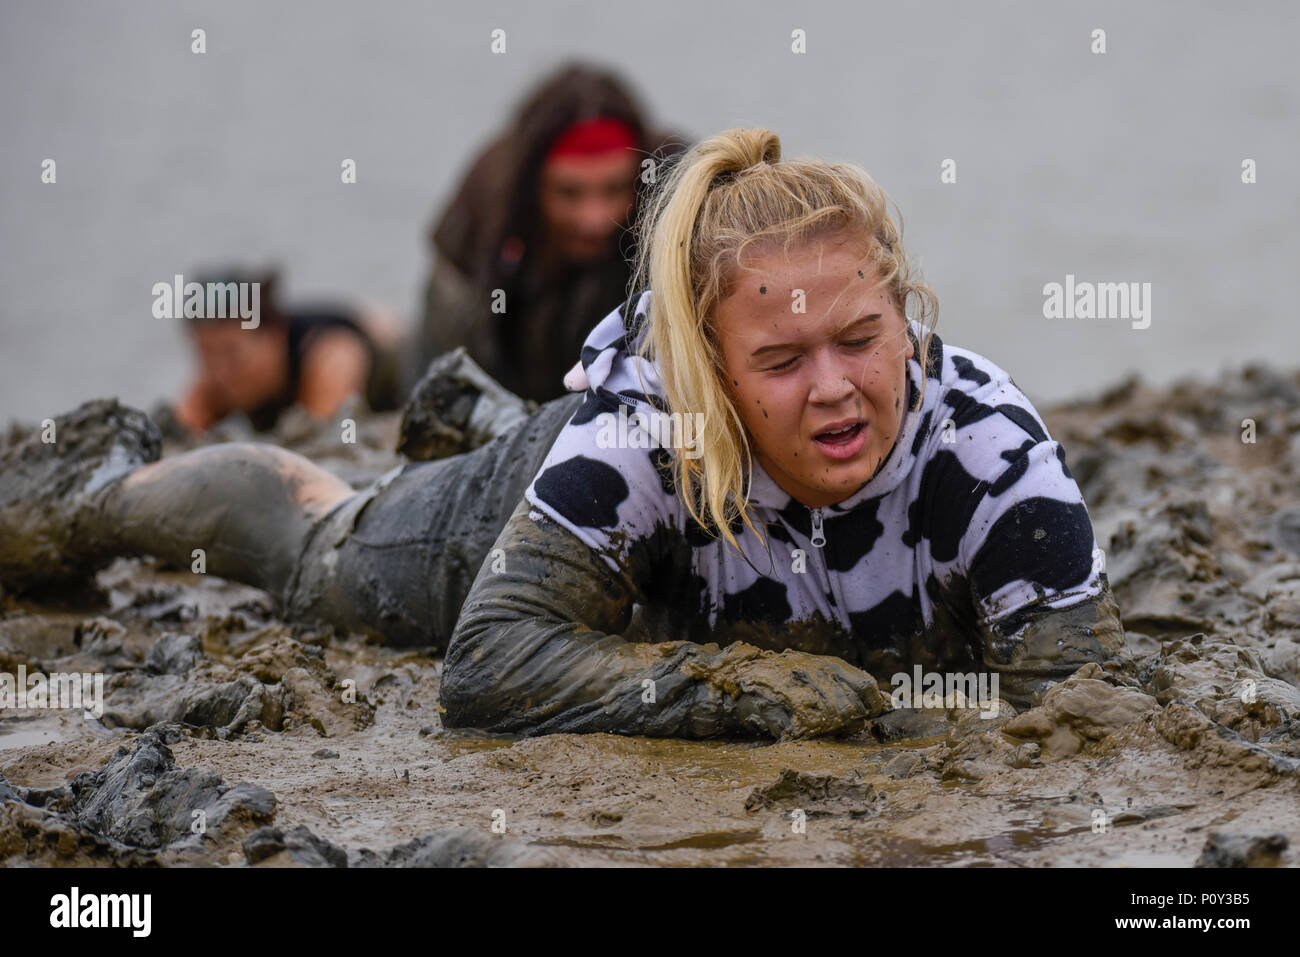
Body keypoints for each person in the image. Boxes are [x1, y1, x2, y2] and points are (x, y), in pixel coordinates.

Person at [0, 128, 1125, 742]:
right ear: (714, 374)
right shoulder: (647, 426)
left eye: (860, 339)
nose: (834, 389)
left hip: (642, 563)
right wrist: (735, 691)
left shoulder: (997, 465)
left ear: (907, 315)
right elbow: (487, 667)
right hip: (537, 497)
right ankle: (93, 492)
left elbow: (1062, 709)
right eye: (780, 363)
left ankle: (465, 414)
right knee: (320, 549)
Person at [413, 62, 687, 401]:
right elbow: (442, 367)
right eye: (569, 192)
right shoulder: (489, 204)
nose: (594, 220)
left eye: (615, 189)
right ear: (534, 188)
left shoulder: (678, 190)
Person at [172, 269, 403, 433]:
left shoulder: (331, 359)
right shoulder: (216, 377)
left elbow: (327, 451)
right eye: (206, 355)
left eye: (232, 354)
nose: (221, 372)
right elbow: (174, 438)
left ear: (273, 336)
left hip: (391, 362)